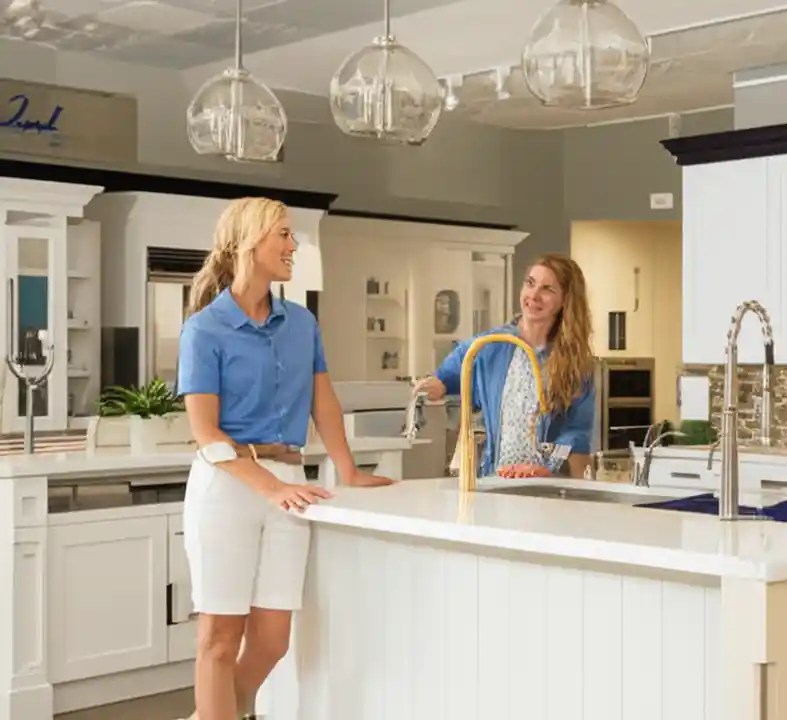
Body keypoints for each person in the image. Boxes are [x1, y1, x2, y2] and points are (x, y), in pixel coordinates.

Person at [177, 197, 394, 720]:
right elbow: (206, 433)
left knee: (273, 639)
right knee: (220, 638)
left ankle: (228, 708)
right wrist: (269, 487)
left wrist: (348, 470)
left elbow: (323, 402)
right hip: (227, 486)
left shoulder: (301, 324)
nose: (293, 244)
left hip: (291, 482)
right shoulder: (205, 330)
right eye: (284, 234)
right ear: (250, 241)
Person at [414, 253, 596, 479]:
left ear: (565, 300)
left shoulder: (575, 363)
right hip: (495, 480)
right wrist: (437, 383)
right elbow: (454, 368)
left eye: (548, 289)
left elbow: (576, 432)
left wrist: (548, 470)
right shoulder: (490, 346)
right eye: (530, 284)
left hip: (546, 484)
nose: (534, 295)